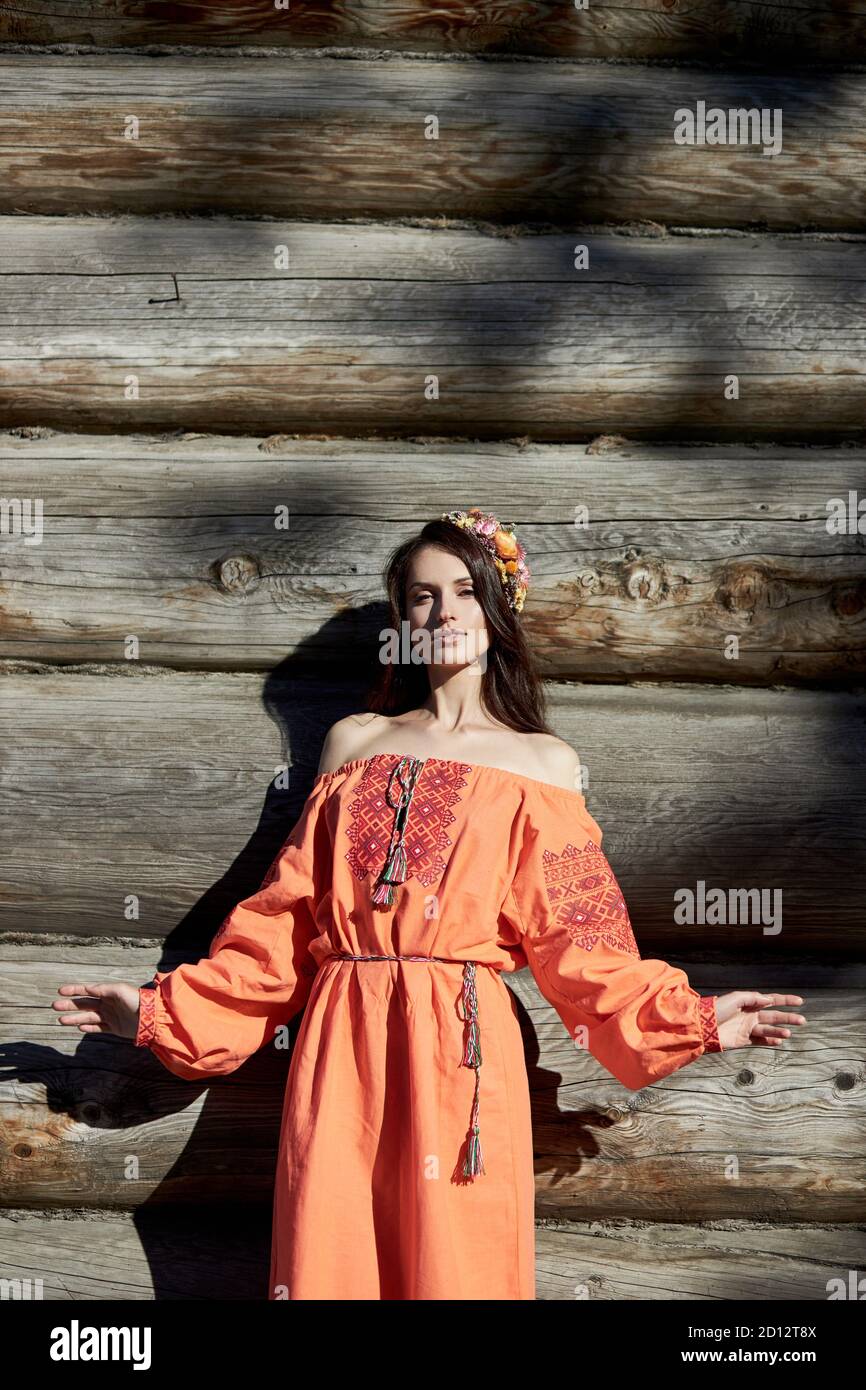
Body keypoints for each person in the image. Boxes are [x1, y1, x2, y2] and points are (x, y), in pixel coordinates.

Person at [53, 506, 807, 1300]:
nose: (443, 612)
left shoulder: (543, 764)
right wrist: (159, 1013)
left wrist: (693, 1019)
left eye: (464, 591)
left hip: (463, 1046)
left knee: (456, 1264)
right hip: (343, 1039)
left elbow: (580, 939)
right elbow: (286, 923)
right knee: (330, 1256)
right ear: (404, 617)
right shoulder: (355, 743)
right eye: (421, 596)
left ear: (497, 606)